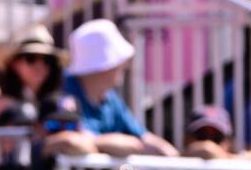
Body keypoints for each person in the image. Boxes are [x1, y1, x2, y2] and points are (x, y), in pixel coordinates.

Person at [63, 19, 178, 157]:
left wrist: (174, 158)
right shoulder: (65, 94)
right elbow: (74, 141)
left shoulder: (111, 99)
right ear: (103, 66)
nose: (125, 65)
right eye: (118, 61)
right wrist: (115, 144)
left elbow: (143, 137)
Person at [0, 25, 65, 126]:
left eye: (47, 60)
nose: (39, 66)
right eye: (30, 58)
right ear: (13, 63)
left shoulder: (57, 103)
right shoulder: (0, 104)